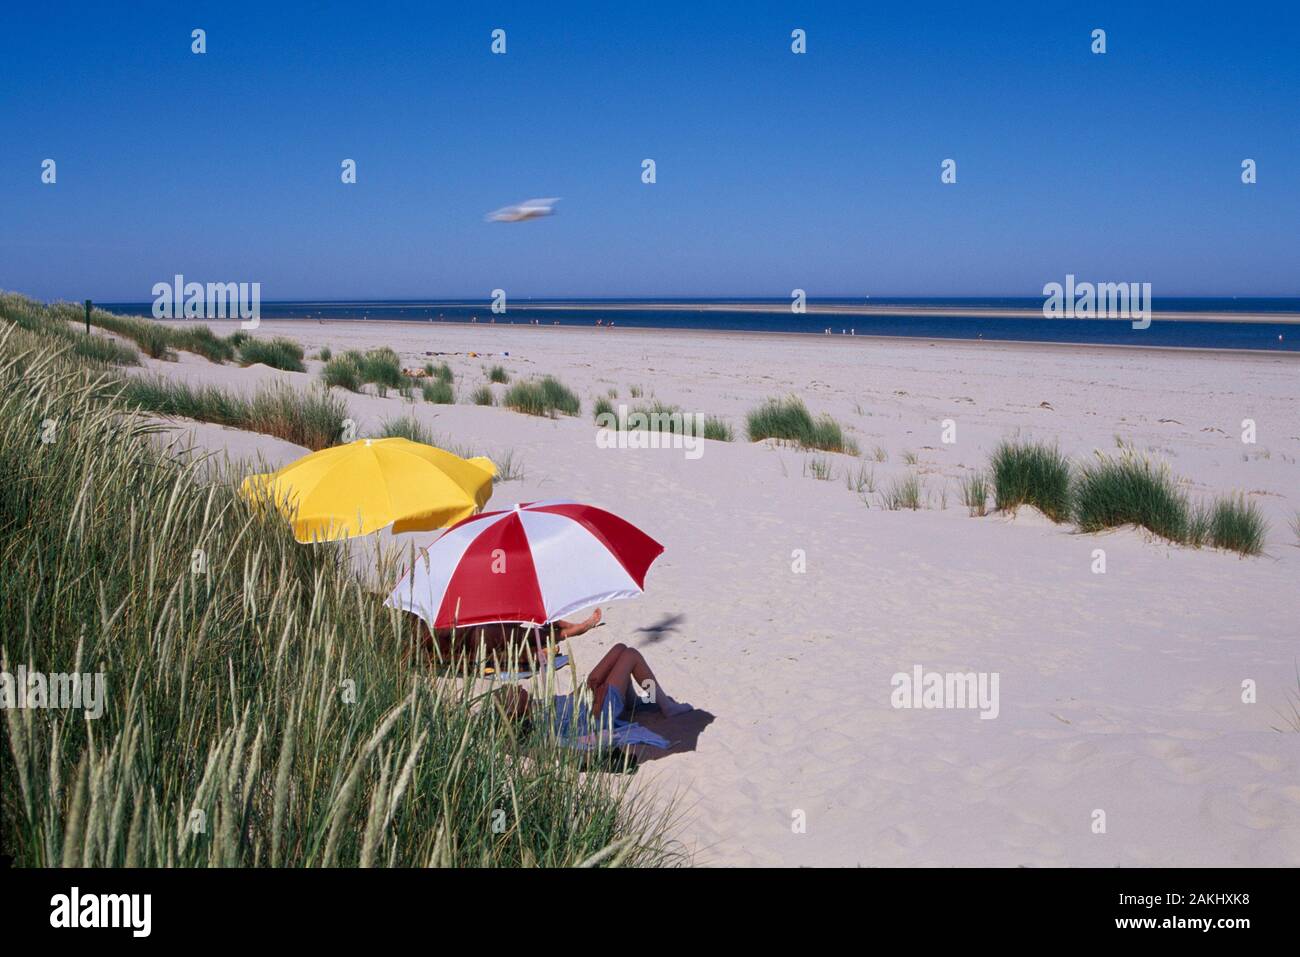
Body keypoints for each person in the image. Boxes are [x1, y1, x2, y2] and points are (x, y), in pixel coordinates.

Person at [500, 642, 692, 741]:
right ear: (515, 710)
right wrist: (596, 702)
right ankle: (666, 707)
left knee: (619, 648)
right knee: (631, 655)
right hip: (600, 710)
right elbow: (579, 726)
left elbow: (568, 704)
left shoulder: (537, 705)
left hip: (585, 697)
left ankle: (631, 701)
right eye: (512, 692)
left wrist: (584, 688)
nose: (517, 686)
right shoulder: (541, 719)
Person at [409, 608, 603, 670]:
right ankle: (569, 630)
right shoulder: (417, 641)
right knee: (499, 632)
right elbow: (464, 660)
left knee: (508, 609)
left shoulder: (413, 613)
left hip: (468, 622)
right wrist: (533, 656)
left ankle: (558, 623)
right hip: (477, 637)